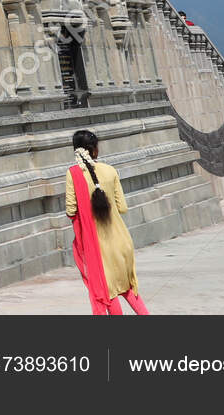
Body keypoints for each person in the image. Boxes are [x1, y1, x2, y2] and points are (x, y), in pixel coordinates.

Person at [65, 129, 149, 315]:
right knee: (128, 289)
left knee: (107, 293)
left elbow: (70, 210)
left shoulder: (73, 174)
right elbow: (122, 207)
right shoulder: (110, 170)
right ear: (94, 150)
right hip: (121, 241)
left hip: (98, 247)